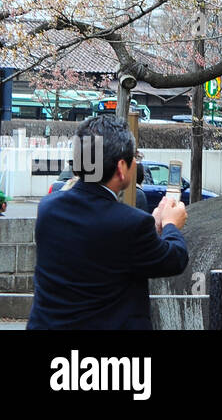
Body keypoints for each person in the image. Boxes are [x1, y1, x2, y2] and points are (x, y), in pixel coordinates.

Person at [27, 115, 188, 330]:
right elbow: (174, 259)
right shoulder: (131, 225)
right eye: (134, 158)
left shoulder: (48, 209)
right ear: (121, 168)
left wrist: (151, 222)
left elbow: (100, 243)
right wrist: (170, 224)